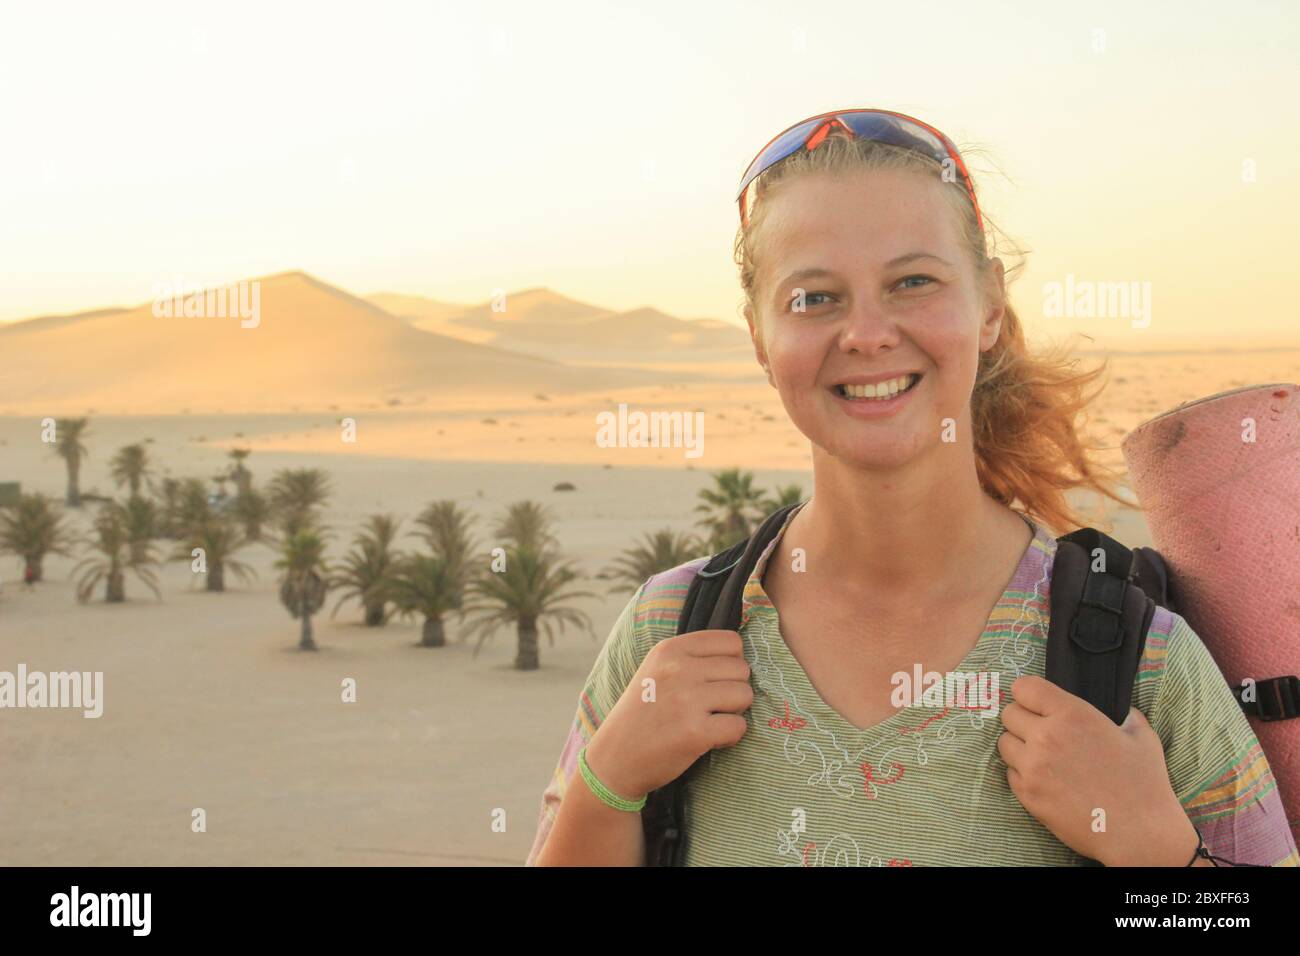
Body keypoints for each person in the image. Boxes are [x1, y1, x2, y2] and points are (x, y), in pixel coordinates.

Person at [526, 109, 1299, 867]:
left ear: (990, 306)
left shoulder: (1133, 654)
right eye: (813, 298)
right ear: (761, 337)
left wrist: (1158, 854)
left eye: (913, 281)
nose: (866, 333)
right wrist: (608, 785)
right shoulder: (671, 630)